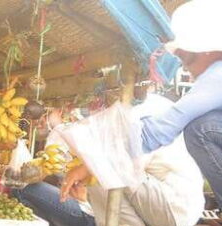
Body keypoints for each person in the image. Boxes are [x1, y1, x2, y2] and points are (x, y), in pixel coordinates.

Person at [62, 0, 222, 204]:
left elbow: (159, 131)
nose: (184, 67)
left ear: (208, 50)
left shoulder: (217, 75)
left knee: (202, 129)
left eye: (185, 57)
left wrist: (94, 144)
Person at [1, 93, 203, 226]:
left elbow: (130, 162)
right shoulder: (127, 110)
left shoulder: (146, 109)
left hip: (172, 204)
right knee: (97, 170)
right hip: (159, 204)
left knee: (100, 171)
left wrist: (85, 170)